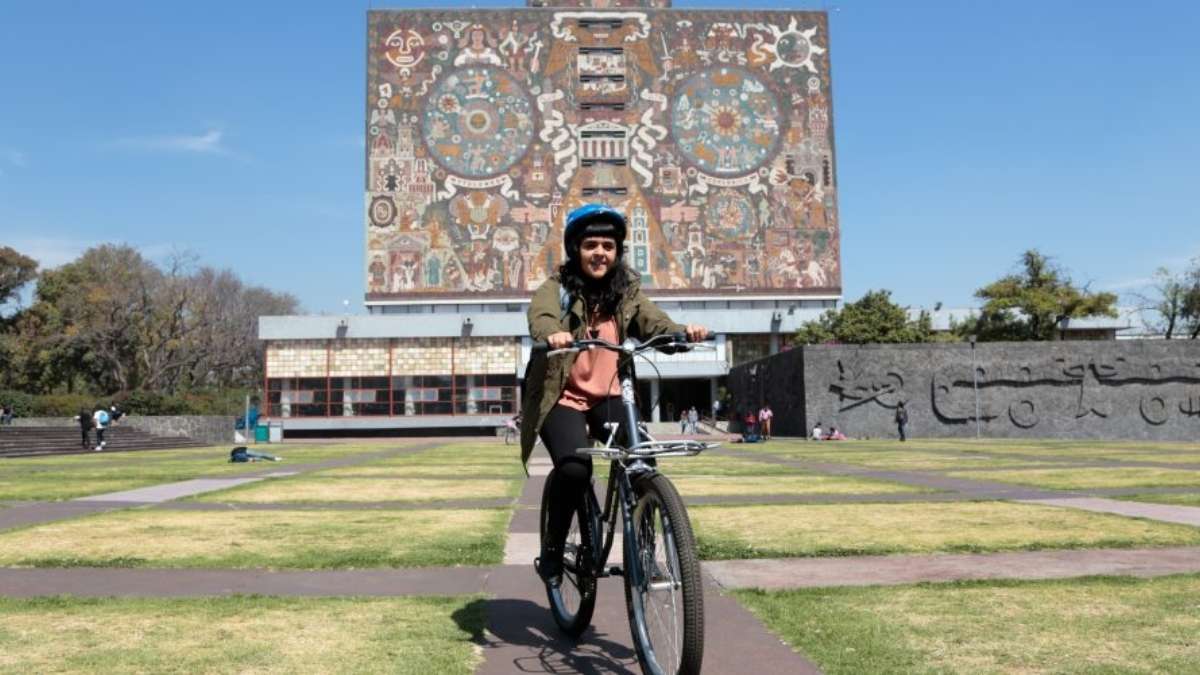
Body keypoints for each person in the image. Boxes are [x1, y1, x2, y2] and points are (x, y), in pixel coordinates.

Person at [519, 203, 708, 585]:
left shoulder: (627, 294)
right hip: (563, 397)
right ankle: (553, 550)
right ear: (576, 249)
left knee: (642, 463)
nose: (600, 252)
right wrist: (551, 334)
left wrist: (679, 334)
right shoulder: (554, 290)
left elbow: (652, 321)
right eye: (591, 244)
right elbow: (541, 317)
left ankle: (643, 551)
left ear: (618, 251)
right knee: (574, 469)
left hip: (610, 396)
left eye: (608, 245)